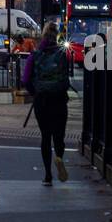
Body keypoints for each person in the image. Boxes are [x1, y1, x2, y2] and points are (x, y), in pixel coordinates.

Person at [22, 21, 70, 186]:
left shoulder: (34, 56)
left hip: (41, 101)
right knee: (59, 136)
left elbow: (26, 80)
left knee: (45, 136)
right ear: (56, 36)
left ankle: (48, 175)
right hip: (59, 99)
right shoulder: (62, 55)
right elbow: (66, 80)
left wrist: (35, 92)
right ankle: (59, 157)